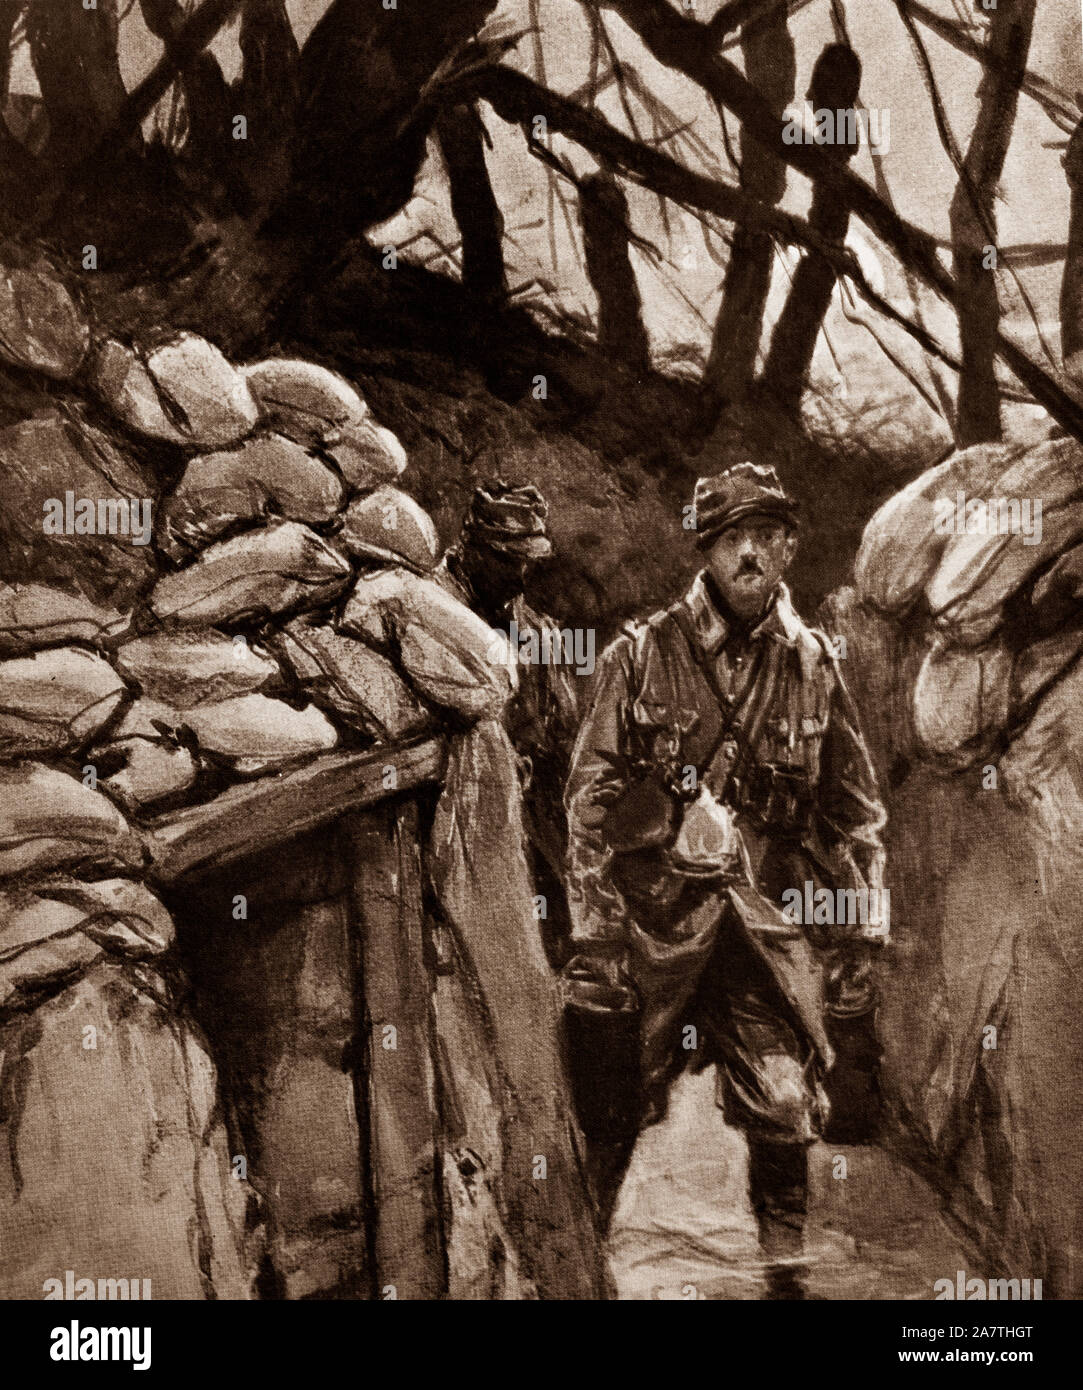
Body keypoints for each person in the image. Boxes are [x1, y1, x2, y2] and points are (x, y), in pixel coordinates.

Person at [562, 462, 887, 1297]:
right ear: (705, 550)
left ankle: (783, 1277)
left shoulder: (813, 664)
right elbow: (589, 804)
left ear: (786, 547)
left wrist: (860, 928)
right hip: (649, 928)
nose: (749, 554)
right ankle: (574, 1276)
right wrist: (596, 936)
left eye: (765, 536)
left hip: (759, 931)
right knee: (607, 1112)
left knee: (784, 1107)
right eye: (730, 538)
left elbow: (853, 812)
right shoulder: (639, 655)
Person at [436, 481, 580, 965]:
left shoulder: (536, 631)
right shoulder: (431, 612)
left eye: (527, 562)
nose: (519, 577)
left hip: (534, 824)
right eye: (506, 560)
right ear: (470, 547)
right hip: (451, 821)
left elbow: (563, 734)